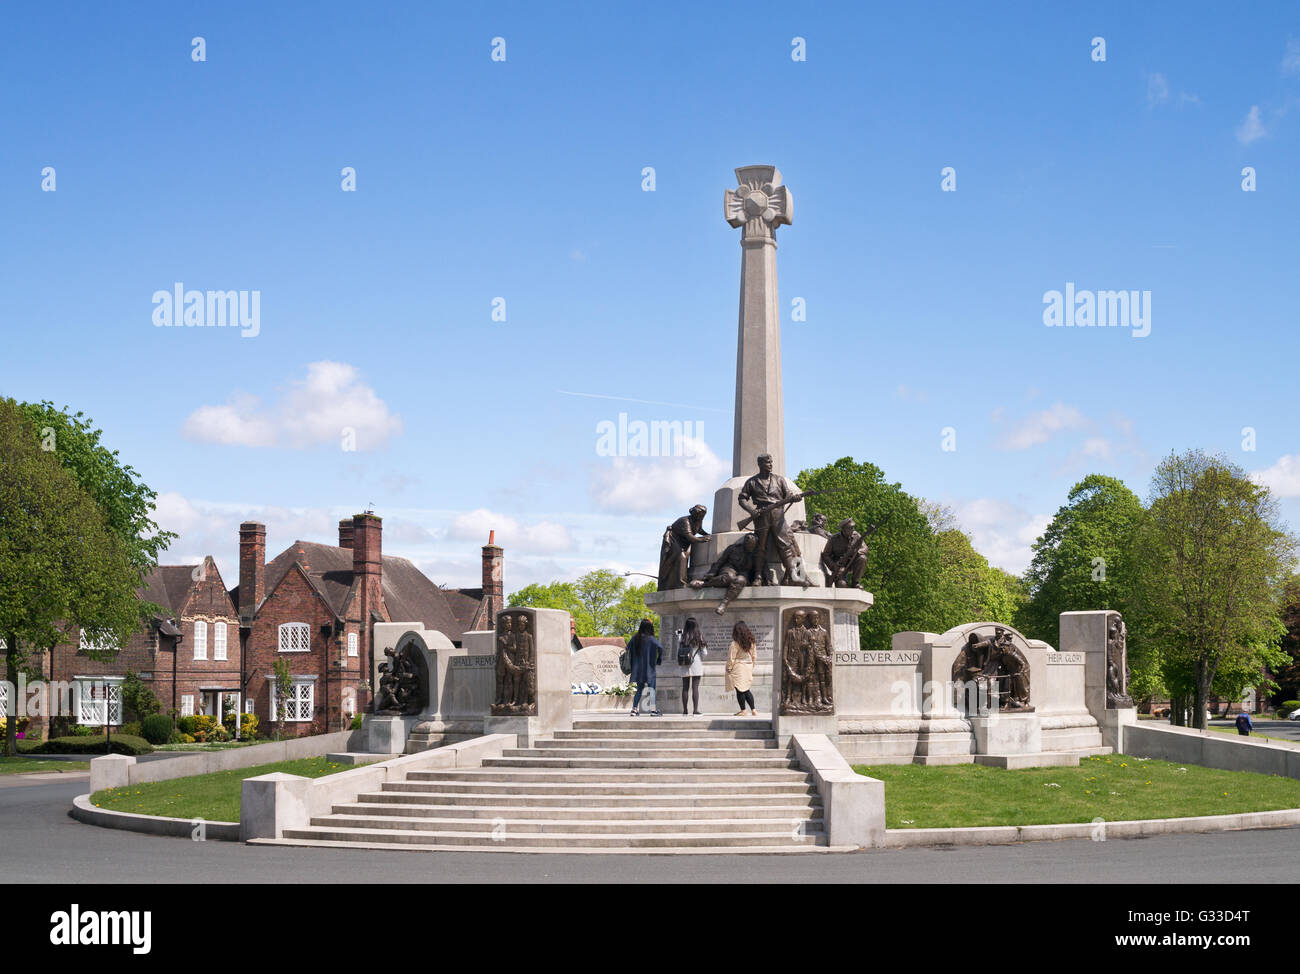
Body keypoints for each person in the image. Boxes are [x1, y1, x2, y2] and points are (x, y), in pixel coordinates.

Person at [626, 618, 663, 717]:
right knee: (651, 690)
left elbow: (627, 648)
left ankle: (634, 709)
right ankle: (653, 710)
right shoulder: (651, 639)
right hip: (649, 669)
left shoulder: (635, 638)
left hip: (638, 669)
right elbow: (660, 648)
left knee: (639, 689)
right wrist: (658, 659)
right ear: (650, 627)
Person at [725, 620, 759, 716]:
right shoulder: (752, 641)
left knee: (740, 690)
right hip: (748, 666)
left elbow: (732, 657)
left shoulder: (735, 643)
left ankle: (743, 710)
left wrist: (729, 668)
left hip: (738, 667)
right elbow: (754, 656)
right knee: (746, 689)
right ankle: (753, 710)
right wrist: (752, 666)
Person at [677, 617, 708, 715]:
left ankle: (685, 710)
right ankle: (695, 710)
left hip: (684, 663)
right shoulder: (699, 636)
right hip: (696, 663)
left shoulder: (682, 636)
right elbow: (705, 653)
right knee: (695, 688)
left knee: (685, 687)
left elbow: (678, 648)